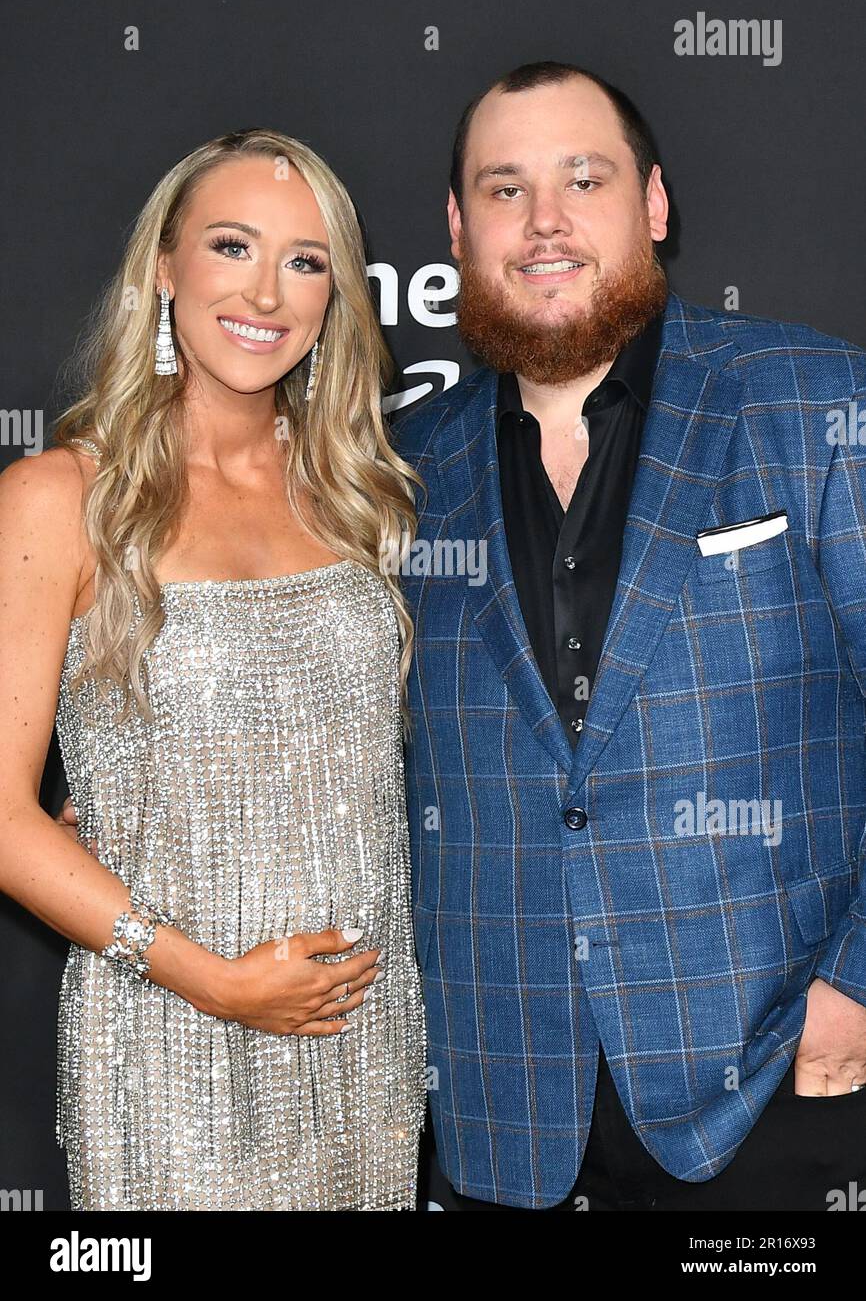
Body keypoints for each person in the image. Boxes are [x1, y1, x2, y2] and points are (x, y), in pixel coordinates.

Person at [389, 61, 866, 1210]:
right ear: (457, 227)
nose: (542, 221)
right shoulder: (397, 474)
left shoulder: (810, 400)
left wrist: (855, 981)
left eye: (581, 178)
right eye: (502, 189)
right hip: (500, 1107)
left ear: (651, 204)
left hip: (771, 1086)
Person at [0, 128, 427, 1210]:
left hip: (360, 1030)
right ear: (165, 268)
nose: (267, 292)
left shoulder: (360, 493)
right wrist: (217, 983)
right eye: (232, 246)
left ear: (336, 292)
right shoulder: (59, 499)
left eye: (305, 259)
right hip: (170, 1032)